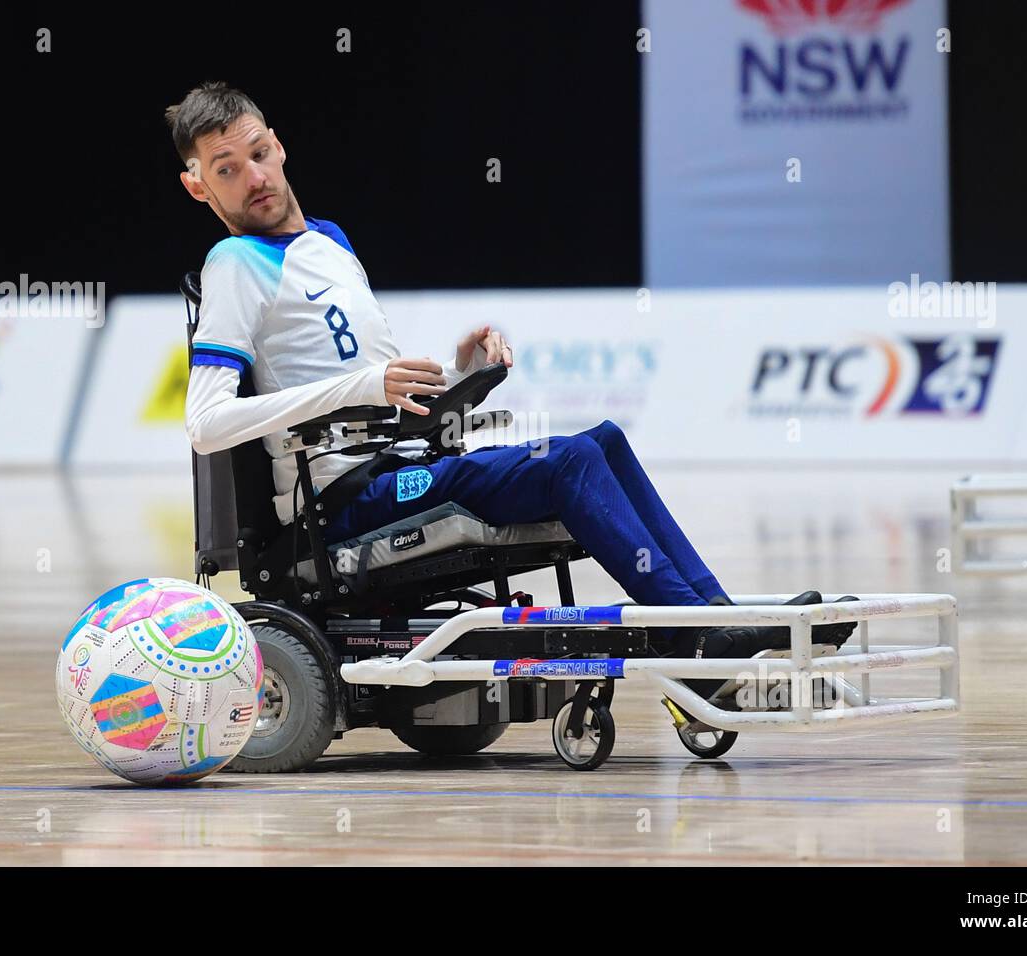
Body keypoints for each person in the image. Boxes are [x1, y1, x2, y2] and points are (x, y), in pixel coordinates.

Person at [167, 82, 853, 665]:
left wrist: (463, 369)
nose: (253, 177)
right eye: (225, 169)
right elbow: (205, 426)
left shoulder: (330, 241)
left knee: (605, 439)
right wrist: (366, 387)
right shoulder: (234, 267)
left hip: (396, 467)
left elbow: (382, 399)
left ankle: (718, 618)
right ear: (197, 184)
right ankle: (694, 636)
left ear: (278, 145)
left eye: (258, 154)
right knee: (571, 462)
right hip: (344, 503)